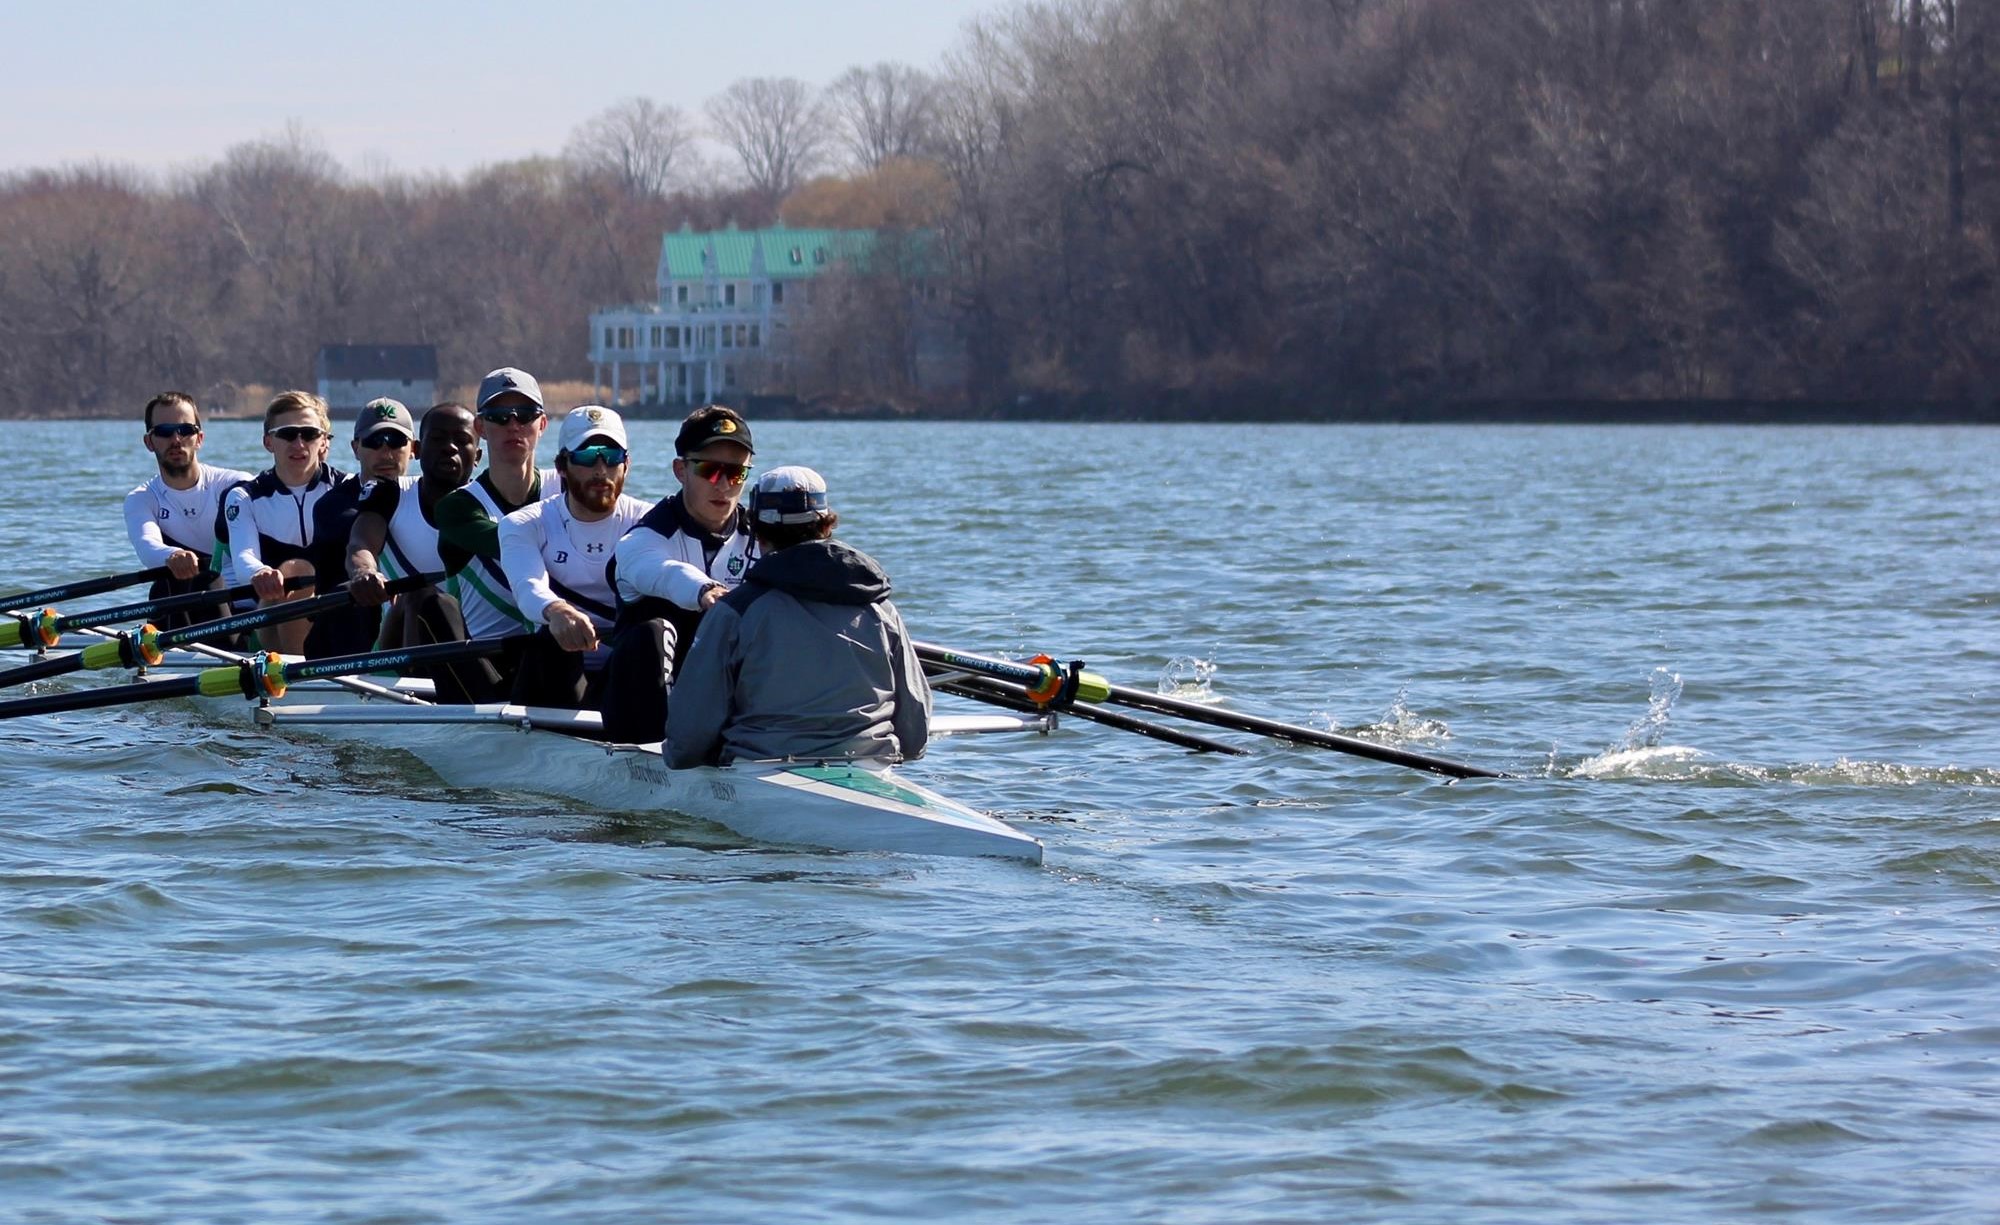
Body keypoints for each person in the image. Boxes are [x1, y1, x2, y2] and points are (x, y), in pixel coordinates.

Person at [666, 466, 930, 768]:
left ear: (756, 530)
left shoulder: (735, 611)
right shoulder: (881, 609)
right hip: (871, 767)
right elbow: (915, 735)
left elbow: (688, 740)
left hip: (760, 770)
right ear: (827, 527)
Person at [600, 405, 758, 742]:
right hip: (640, 715)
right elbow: (662, 571)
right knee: (651, 632)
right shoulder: (643, 539)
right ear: (680, 470)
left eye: (736, 473)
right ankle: (660, 754)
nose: (724, 484)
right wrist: (705, 592)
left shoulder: (760, 539)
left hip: (725, 707)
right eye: (709, 469)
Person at [496, 406, 652, 710]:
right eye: (586, 456)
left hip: (622, 674)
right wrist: (555, 610)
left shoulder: (649, 521)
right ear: (562, 466)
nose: (600, 470)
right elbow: (528, 588)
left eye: (612, 456)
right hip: (555, 676)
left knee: (652, 633)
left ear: (626, 465)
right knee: (548, 641)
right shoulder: (524, 524)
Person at [424, 369, 556, 701]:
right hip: (482, 669)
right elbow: (514, 545)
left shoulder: (566, 488)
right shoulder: (458, 508)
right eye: (499, 417)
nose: (513, 425)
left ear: (542, 424)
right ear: (481, 428)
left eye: (525, 416)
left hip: (554, 656)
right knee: (432, 606)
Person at [218, 390, 346, 654]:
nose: (299, 444)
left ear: (323, 442)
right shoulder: (244, 497)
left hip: (337, 613)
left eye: (309, 434)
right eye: (288, 434)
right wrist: (259, 573)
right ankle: (300, 673)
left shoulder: (347, 489)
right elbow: (244, 558)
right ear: (268, 442)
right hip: (269, 621)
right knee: (297, 570)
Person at [345, 402, 480, 648]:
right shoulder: (388, 495)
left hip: (477, 646)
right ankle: (419, 680)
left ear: (478, 456)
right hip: (397, 648)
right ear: (417, 449)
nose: (450, 448)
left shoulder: (490, 501)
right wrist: (363, 572)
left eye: (461, 440)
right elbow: (360, 544)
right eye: (438, 439)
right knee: (421, 595)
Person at [122, 391, 250, 629]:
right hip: (187, 604)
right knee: (166, 584)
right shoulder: (141, 499)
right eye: (164, 432)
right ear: (149, 442)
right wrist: (171, 556)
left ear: (199, 438)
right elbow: (147, 546)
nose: (176, 439)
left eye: (185, 430)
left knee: (207, 581)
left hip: (246, 607)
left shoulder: (235, 485)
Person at [300, 398, 416, 658]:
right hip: (342, 637)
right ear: (355, 448)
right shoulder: (334, 507)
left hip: (404, 626)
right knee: (357, 595)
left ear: (414, 449)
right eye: (374, 442)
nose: (385, 454)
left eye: (396, 442)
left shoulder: (426, 498)